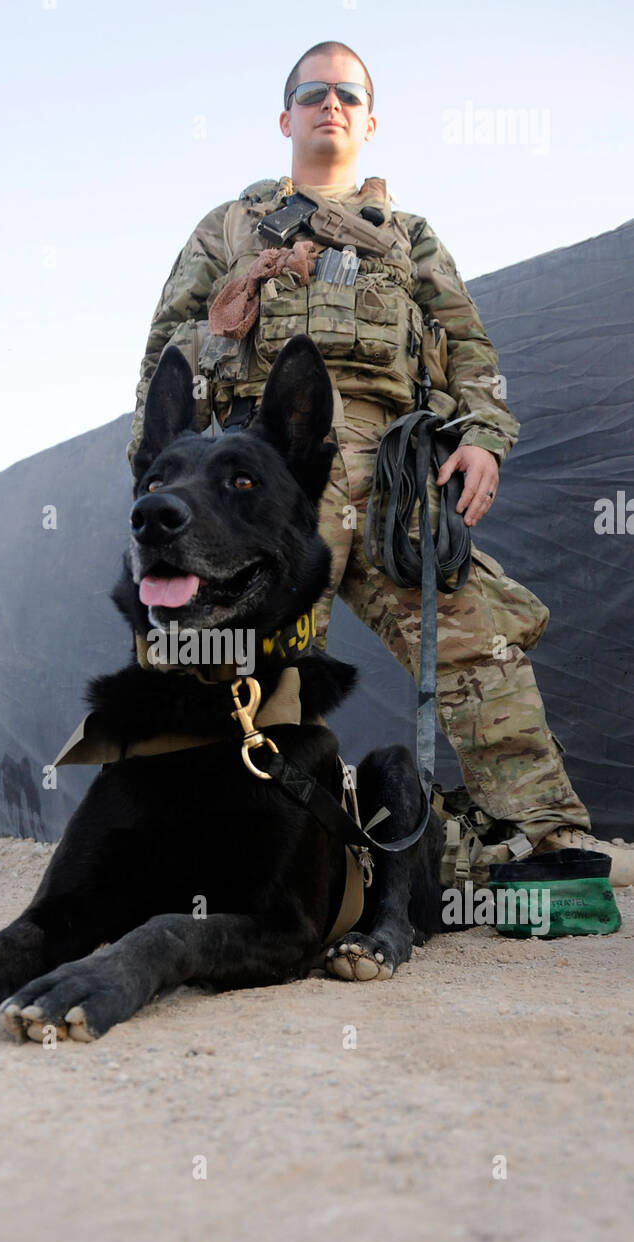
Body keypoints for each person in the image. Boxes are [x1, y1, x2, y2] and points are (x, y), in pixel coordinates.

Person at [127, 39, 634, 887]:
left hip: (398, 475)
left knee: (478, 642)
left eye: (350, 95)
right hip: (271, 471)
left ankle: (541, 842)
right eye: (314, 91)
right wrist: (226, 324)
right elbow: (159, 368)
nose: (332, 104)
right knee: (242, 647)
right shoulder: (231, 226)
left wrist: (482, 439)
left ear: (369, 119)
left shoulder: (407, 236)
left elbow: (470, 351)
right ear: (284, 115)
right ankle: (206, 843)